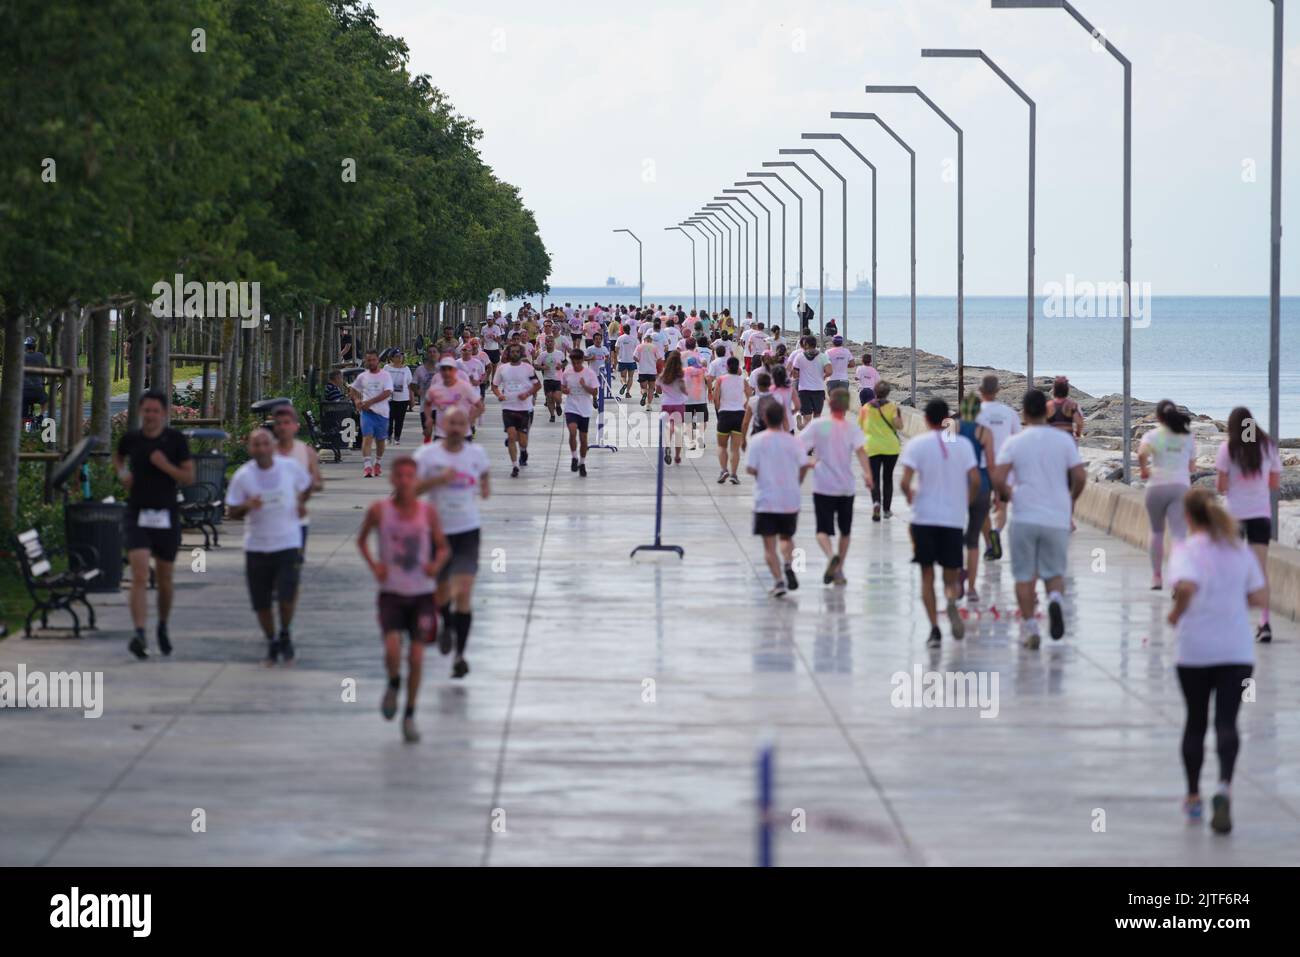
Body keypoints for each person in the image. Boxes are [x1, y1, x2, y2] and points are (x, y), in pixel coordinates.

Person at [1167, 487, 1267, 833]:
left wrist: (1175, 614)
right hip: (1237, 652)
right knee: (1227, 721)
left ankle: (1193, 798)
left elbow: (1187, 587)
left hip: (1195, 650)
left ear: (1190, 517)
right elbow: (1258, 596)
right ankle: (1224, 786)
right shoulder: (1239, 551)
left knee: (1195, 723)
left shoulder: (1186, 550)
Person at [357, 456, 450, 742]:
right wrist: (376, 567)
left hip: (422, 593)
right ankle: (393, 683)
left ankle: (409, 714)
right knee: (393, 650)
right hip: (392, 593)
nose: (405, 481)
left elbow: (443, 548)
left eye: (411, 476)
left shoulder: (428, 512)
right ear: (392, 479)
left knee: (418, 656)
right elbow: (361, 541)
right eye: (400, 476)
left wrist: (435, 566)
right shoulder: (378, 510)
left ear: (416, 480)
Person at [991, 389, 1087, 649]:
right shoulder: (1063, 442)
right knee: (1054, 572)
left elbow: (998, 478)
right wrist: (1070, 501)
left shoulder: (1015, 442)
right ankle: (1054, 598)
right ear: (1046, 411)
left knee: (1024, 575)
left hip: (1024, 516)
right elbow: (1079, 477)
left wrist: (1008, 495)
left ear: (1023, 413)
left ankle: (1030, 626)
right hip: (1056, 517)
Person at [113, 390, 195, 659]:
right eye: (146, 411)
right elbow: (118, 456)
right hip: (137, 513)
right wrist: (124, 474)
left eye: (155, 411)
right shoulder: (132, 439)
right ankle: (139, 632)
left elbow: (188, 477)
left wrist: (164, 465)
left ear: (164, 414)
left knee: (164, 579)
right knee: (138, 574)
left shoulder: (175, 441)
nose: (150, 416)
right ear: (140, 413)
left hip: (166, 514)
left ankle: (161, 625)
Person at [414, 407, 490, 679]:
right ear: (443, 426)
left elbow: (484, 474)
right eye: (452, 423)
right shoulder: (427, 455)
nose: (457, 428)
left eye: (461, 423)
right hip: (436, 534)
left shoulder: (476, 454)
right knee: (442, 592)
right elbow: (410, 490)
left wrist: (484, 486)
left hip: (468, 531)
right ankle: (446, 623)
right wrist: (437, 480)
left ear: (468, 426)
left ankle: (460, 654)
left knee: (464, 590)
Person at [225, 429, 312, 665]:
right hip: (257, 546)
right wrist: (246, 505)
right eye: (256, 445)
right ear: (249, 449)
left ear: (272, 446)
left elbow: (306, 485)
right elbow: (231, 512)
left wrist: (301, 504)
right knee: (261, 603)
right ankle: (272, 640)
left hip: (288, 542)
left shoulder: (289, 468)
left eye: (265, 444)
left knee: (286, 595)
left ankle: (285, 632)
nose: (261, 449)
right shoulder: (243, 476)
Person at [899, 399, 979, 648]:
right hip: (952, 519)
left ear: (926, 419)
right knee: (950, 575)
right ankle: (952, 600)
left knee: (926, 574)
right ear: (947, 419)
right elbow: (975, 480)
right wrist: (965, 501)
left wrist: (910, 494)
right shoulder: (963, 445)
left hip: (924, 518)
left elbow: (904, 481)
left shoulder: (917, 445)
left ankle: (934, 629)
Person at [1216, 406, 1282, 642]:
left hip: (1234, 517)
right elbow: (1274, 483)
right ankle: (1264, 623)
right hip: (1260, 517)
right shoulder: (1268, 447)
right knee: (1260, 571)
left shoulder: (1227, 449)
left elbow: (1221, 487)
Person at [800, 389, 872, 585]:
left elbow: (798, 447)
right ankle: (839, 570)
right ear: (847, 406)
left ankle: (831, 555)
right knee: (845, 531)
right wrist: (868, 474)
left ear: (829, 404)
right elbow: (861, 452)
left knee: (822, 530)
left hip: (823, 485)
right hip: (846, 487)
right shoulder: (851, 428)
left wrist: (810, 463)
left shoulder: (819, 426)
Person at [746, 400, 811, 597]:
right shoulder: (794, 442)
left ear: (764, 418)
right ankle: (789, 565)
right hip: (789, 498)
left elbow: (750, 469)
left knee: (769, 545)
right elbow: (803, 465)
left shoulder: (757, 441)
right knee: (786, 537)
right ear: (784, 418)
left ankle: (779, 581)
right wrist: (796, 483)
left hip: (765, 499)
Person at [1139, 399, 1197, 590]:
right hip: (1179, 487)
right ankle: (1178, 578)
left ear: (1158, 417)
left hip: (1156, 487)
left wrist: (1144, 470)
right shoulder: (1187, 437)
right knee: (1179, 535)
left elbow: (1142, 454)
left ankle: (1156, 577)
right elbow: (1191, 467)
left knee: (1156, 532)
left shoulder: (1153, 435)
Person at [975, 375, 1021, 561]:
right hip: (1004, 468)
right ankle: (996, 531)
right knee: (1002, 507)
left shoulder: (976, 413)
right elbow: (1017, 439)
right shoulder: (1008, 413)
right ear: (998, 390)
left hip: (982, 467)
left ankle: (988, 544)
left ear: (980, 391)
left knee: (982, 509)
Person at [956, 394, 996, 605]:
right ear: (979, 411)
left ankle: (955, 577)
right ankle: (971, 588)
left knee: (953, 535)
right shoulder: (984, 432)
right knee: (973, 540)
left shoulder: (951, 429)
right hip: (980, 484)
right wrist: (997, 490)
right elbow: (990, 464)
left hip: (957, 485)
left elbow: (944, 456)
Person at [272, 405, 322, 561]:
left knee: (292, 566)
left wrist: (306, 488)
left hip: (296, 519)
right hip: (269, 520)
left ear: (296, 426)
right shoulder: (267, 452)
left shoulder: (306, 452)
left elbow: (317, 482)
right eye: (278, 423)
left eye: (287, 423)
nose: (282, 427)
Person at [491, 342, 540, 478]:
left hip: (524, 408)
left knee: (522, 440)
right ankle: (515, 466)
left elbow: (537, 385)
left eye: (517, 352)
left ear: (521, 353)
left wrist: (527, 394)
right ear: (508, 354)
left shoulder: (528, 369)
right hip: (508, 407)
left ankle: (523, 451)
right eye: (512, 352)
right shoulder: (502, 369)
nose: (514, 354)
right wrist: (499, 395)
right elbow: (494, 386)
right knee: (511, 436)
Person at [859, 380, 902, 522]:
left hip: (872, 447)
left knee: (875, 478)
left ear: (874, 392)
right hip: (891, 447)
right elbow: (899, 426)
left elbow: (860, 427)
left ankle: (876, 503)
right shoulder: (892, 407)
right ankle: (887, 509)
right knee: (888, 478)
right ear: (888, 393)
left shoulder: (866, 407)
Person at [349, 350, 394, 478]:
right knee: (367, 437)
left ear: (378, 361)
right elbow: (353, 389)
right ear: (365, 361)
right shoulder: (363, 376)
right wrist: (358, 400)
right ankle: (367, 466)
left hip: (382, 412)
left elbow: (387, 392)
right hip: (367, 413)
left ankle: (377, 463)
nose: (371, 362)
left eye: (373, 360)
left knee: (380, 441)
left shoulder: (385, 376)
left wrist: (371, 401)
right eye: (368, 360)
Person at [712, 356, 750, 485]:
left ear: (727, 367)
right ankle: (734, 474)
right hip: (739, 415)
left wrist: (719, 409)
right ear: (738, 367)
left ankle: (723, 470)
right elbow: (750, 396)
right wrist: (744, 407)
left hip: (724, 415)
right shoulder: (743, 380)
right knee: (735, 448)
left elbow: (715, 398)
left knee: (722, 446)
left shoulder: (721, 380)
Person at [561, 348, 599, 476]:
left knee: (583, 439)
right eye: (574, 363)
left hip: (585, 408)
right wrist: (564, 390)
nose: (576, 365)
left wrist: (584, 386)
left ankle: (582, 463)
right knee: (572, 432)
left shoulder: (590, 373)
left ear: (582, 360)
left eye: (578, 362)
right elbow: (562, 386)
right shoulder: (567, 372)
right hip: (571, 407)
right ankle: (574, 457)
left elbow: (595, 392)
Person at [790, 335, 830, 427]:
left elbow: (795, 374)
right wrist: (823, 376)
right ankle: (814, 436)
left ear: (806, 344)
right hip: (818, 389)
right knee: (817, 415)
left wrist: (802, 375)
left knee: (807, 417)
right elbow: (829, 371)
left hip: (804, 390)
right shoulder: (823, 356)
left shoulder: (799, 357)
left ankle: (804, 427)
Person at [657, 350, 688, 465]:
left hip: (666, 404)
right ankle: (677, 456)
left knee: (668, 428)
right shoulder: (681, 375)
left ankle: (667, 446)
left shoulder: (663, 375)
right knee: (678, 430)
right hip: (679, 404)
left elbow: (659, 390)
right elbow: (685, 390)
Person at [384, 348, 414, 445]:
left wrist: (411, 399)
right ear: (391, 358)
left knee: (399, 419)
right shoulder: (386, 368)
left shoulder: (406, 369)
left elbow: (410, 385)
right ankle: (388, 436)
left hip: (403, 398)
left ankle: (397, 437)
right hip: (389, 398)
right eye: (397, 356)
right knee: (389, 418)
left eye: (401, 356)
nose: (400, 358)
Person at [536, 335, 567, 423]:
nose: (549, 343)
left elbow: (565, 362)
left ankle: (558, 405)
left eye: (551, 341)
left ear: (554, 343)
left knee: (557, 397)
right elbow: (536, 366)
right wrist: (542, 367)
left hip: (557, 379)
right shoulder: (542, 354)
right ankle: (552, 415)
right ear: (545, 343)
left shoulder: (559, 353)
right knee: (549, 398)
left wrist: (561, 366)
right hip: (547, 379)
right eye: (548, 341)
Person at [411, 347, 440, 442]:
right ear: (427, 354)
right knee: (427, 432)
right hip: (425, 406)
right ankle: (428, 451)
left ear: (438, 354)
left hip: (440, 406)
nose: (432, 354)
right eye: (430, 352)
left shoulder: (443, 368)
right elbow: (413, 384)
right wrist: (417, 391)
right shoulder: (420, 370)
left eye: (434, 352)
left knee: (439, 434)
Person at [1046, 376, 1084, 441]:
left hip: (1052, 438)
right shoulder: (1073, 405)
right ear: (1067, 390)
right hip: (1067, 438)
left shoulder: (1048, 405)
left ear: (1054, 390)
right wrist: (1078, 434)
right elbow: (1079, 422)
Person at [21, 336, 48, 422]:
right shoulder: (40, 356)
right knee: (45, 400)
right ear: (35, 346)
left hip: (23, 391)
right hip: (37, 390)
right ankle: (41, 416)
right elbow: (47, 369)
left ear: (25, 347)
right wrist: (46, 381)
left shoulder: (21, 356)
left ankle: (22, 424)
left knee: (22, 413)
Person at [634, 333, 661, 408]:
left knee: (643, 388)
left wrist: (639, 361)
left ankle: (644, 393)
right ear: (651, 340)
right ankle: (648, 405)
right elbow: (659, 358)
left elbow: (634, 357)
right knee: (651, 388)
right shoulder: (654, 347)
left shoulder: (639, 346)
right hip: (652, 371)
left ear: (644, 340)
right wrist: (654, 363)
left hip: (642, 370)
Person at [615, 323, 639, 397]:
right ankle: (627, 392)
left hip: (622, 360)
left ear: (623, 330)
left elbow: (616, 349)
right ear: (630, 330)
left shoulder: (620, 338)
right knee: (630, 377)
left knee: (623, 377)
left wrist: (619, 354)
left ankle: (624, 384)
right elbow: (638, 349)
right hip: (631, 360)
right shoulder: (634, 338)